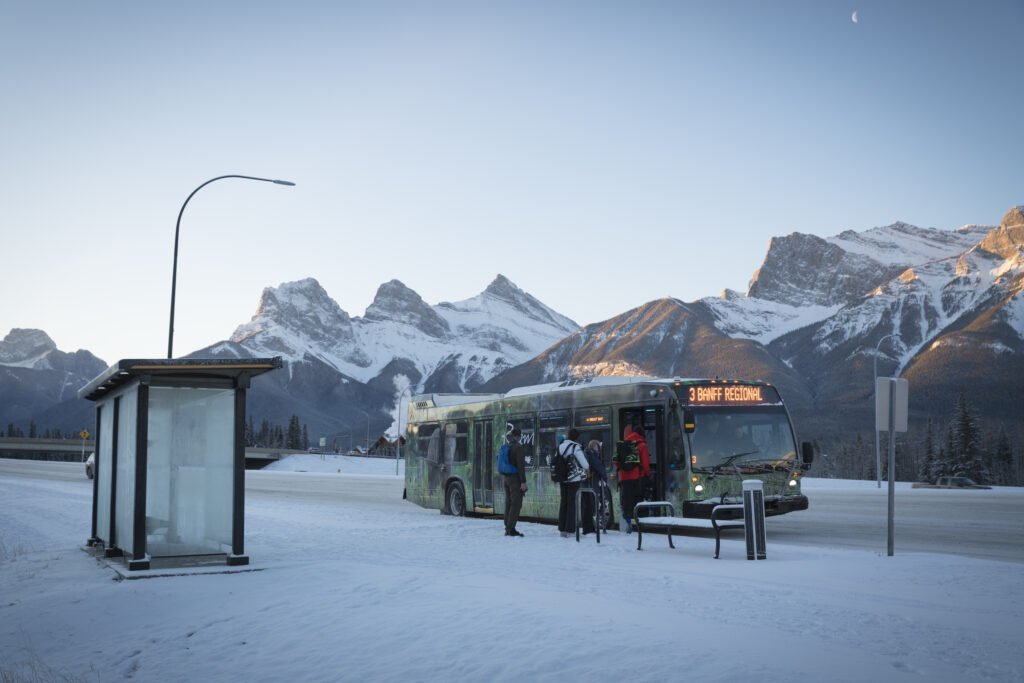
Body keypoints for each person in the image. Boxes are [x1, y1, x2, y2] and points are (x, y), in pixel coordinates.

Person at [616, 424, 650, 533]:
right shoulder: (642, 445)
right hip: (637, 477)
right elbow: (645, 463)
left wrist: (623, 469)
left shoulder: (623, 444)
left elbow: (616, 461)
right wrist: (648, 474)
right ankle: (637, 525)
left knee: (627, 503)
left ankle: (628, 525)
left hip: (624, 478)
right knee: (637, 502)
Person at [556, 429, 590, 538]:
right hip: (573, 479)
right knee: (572, 503)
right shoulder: (576, 447)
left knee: (564, 502)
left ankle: (562, 529)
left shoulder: (561, 446)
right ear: (577, 438)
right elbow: (585, 465)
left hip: (562, 478)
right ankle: (570, 530)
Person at [503, 428, 528, 537]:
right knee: (516, 504)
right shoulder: (518, 448)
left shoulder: (506, 446)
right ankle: (510, 529)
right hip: (515, 479)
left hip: (506, 478)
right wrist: (523, 482)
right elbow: (520, 466)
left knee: (509, 503)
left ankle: (507, 526)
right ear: (519, 437)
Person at [581, 439, 608, 535]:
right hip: (591, 483)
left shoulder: (586, 453)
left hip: (584, 484)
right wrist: (605, 478)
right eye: (597, 447)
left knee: (585, 507)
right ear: (593, 446)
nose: (598, 449)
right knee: (589, 506)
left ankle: (587, 527)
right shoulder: (592, 454)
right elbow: (599, 467)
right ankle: (589, 529)